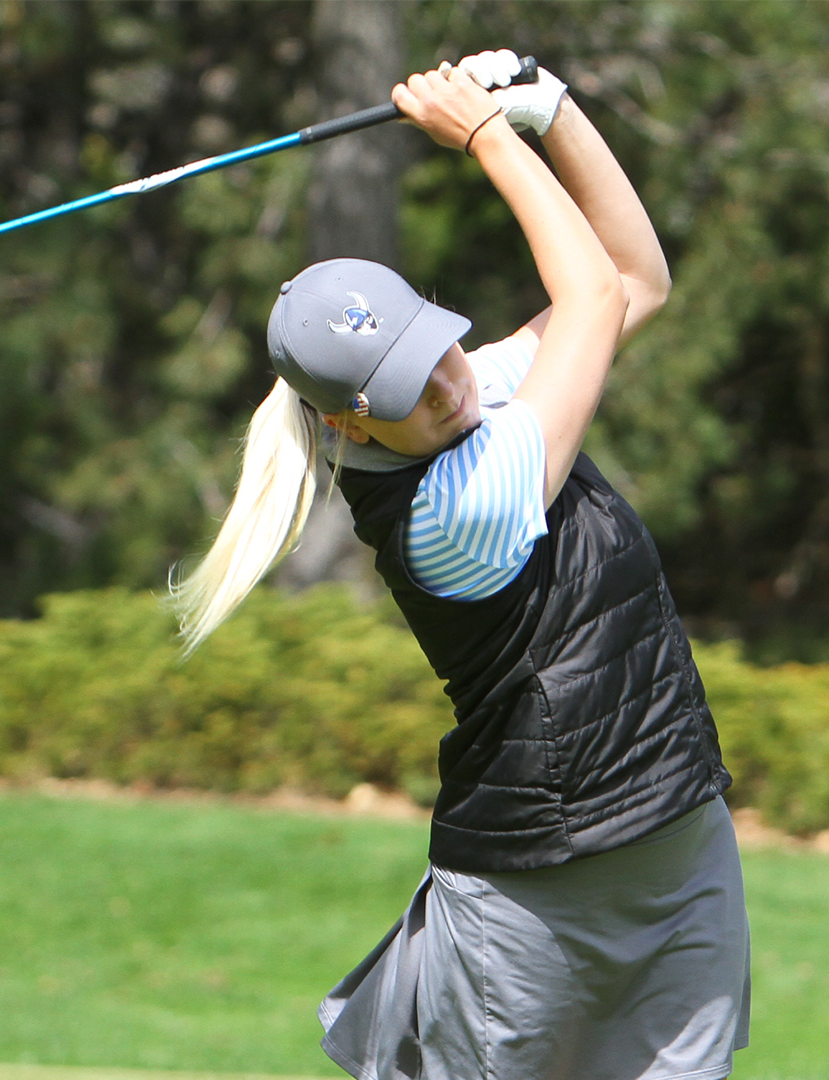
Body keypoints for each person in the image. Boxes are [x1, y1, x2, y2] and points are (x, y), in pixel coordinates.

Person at [172, 50, 749, 1080]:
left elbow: (631, 280)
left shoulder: (464, 392)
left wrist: (551, 110)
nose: (445, 382)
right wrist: (487, 138)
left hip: (674, 833)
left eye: (433, 343)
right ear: (353, 420)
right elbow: (593, 306)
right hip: (539, 899)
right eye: (405, 384)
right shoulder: (450, 512)